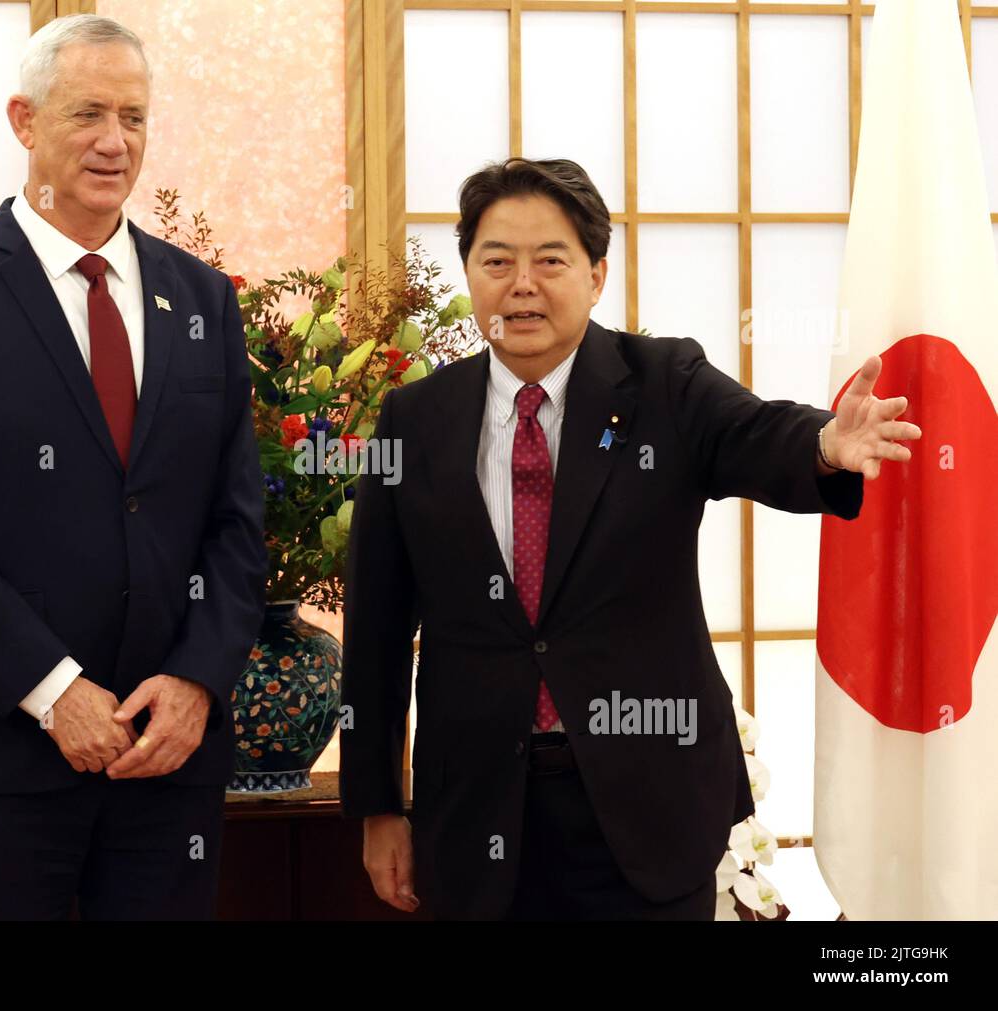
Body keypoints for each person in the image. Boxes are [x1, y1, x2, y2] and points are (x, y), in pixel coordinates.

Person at [339, 157, 921, 921]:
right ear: (470, 273)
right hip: (478, 813)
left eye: (551, 260)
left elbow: (754, 433)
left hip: (645, 808)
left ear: (597, 273)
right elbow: (378, 628)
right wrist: (380, 805)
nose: (522, 284)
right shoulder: (415, 419)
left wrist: (822, 443)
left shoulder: (664, 383)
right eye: (497, 261)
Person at [0, 14, 266, 920]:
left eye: (134, 116)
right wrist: (55, 693)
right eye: (87, 113)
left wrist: (201, 678)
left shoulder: (201, 296)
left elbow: (238, 518)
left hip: (168, 760)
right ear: (24, 120)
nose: (115, 142)